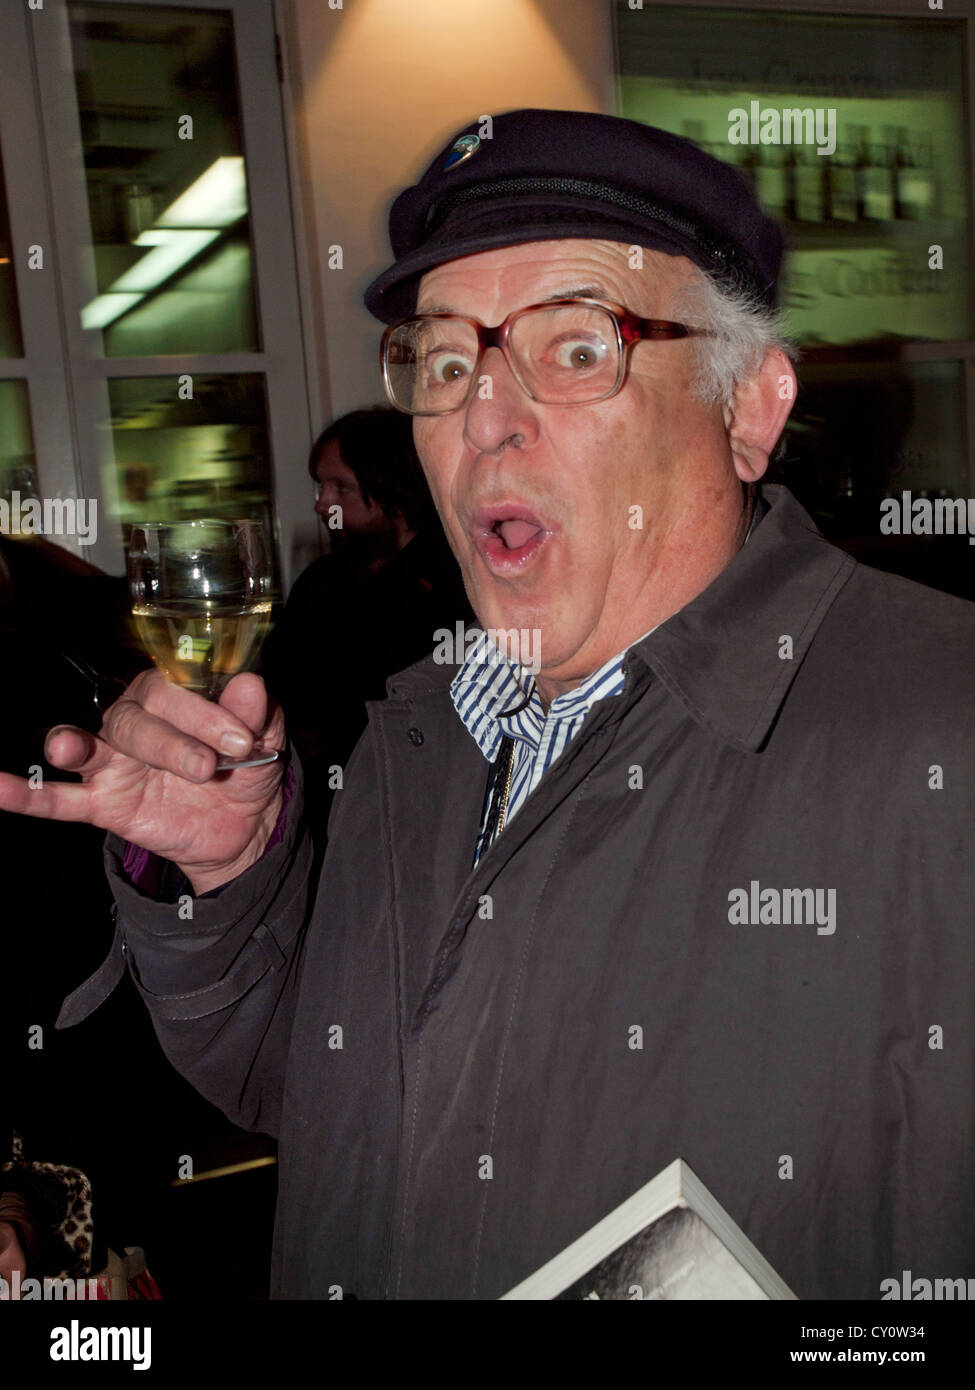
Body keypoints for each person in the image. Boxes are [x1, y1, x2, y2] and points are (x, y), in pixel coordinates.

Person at [1, 109, 972, 1301]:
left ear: (749, 408)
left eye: (575, 348)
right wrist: (227, 881)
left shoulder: (937, 731)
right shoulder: (423, 729)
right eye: (449, 360)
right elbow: (308, 1090)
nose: (483, 419)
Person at [259, 407, 473, 836]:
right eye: (321, 486)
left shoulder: (457, 583)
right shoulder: (323, 580)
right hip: (321, 812)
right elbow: (276, 685)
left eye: (341, 487)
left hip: (422, 816)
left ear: (394, 488)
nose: (322, 504)